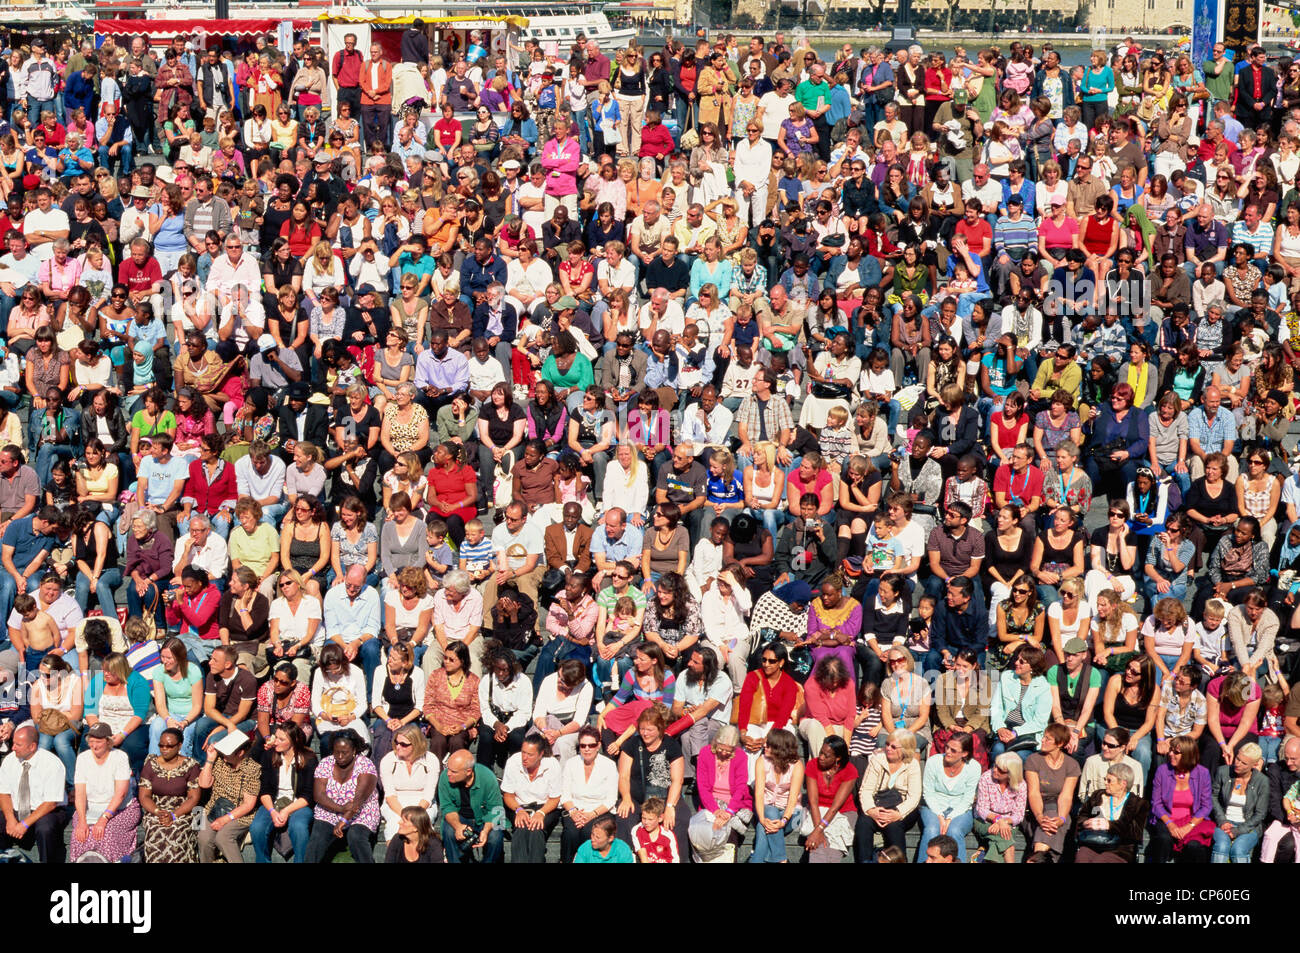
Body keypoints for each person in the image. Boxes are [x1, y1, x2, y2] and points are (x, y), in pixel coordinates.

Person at [304, 729, 379, 864]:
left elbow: (359, 799)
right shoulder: (326, 763)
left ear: (354, 750)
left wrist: (344, 820)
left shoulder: (365, 764)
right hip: (330, 810)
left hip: (361, 811)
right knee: (317, 838)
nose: (339, 756)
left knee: (356, 837)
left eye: (344, 752)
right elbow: (318, 795)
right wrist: (341, 808)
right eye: (336, 751)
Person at [247, 721, 316, 863]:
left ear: (294, 741)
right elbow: (264, 790)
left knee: (299, 827)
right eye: (275, 737)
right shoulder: (269, 756)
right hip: (274, 802)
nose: (275, 742)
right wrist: (273, 811)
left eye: (281, 739)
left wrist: (286, 811)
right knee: (257, 828)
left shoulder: (308, 759)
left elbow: (308, 795)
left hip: (298, 804)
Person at [0, 724, 69, 863]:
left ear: (32, 746)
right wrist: (11, 820)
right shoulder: (9, 760)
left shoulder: (52, 763)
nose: (13, 748)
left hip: (47, 810)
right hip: (18, 808)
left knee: (45, 828)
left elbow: (51, 803)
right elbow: (4, 793)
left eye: (18, 745)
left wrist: (24, 824)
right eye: (13, 743)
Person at [855, 728, 921, 863]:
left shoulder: (912, 764)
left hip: (902, 807)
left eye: (893, 746)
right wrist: (871, 810)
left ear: (905, 749)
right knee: (864, 822)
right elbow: (866, 790)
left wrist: (898, 813)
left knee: (894, 825)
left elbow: (914, 797)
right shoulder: (877, 760)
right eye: (887, 744)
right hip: (878, 804)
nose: (888, 748)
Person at [1148, 734, 1215, 864]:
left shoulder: (1202, 773)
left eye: (1176, 752)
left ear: (1188, 755)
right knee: (1163, 839)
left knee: (1194, 847)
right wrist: (1170, 824)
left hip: (1192, 820)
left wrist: (1189, 826)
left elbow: (1206, 806)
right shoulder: (1162, 771)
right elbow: (1156, 803)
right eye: (1171, 750)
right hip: (1167, 818)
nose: (1170, 754)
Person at [437, 749, 506, 863]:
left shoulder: (488, 777)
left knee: (495, 836)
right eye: (448, 768)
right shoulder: (445, 777)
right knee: (448, 830)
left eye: (453, 771)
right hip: (460, 817)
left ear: (468, 771)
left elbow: (497, 810)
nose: (448, 773)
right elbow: (447, 807)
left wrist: (485, 830)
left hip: (485, 817)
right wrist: (458, 826)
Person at [1075, 761, 1149, 863]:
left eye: (1109, 780)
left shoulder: (1138, 804)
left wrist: (1109, 825)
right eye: (1105, 779)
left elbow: (1136, 832)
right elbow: (1082, 815)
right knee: (1081, 858)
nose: (1105, 782)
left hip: (1120, 848)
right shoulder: (1098, 796)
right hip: (1093, 842)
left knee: (1100, 861)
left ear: (1123, 784)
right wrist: (1086, 823)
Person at [972, 752, 1028, 864]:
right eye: (995, 765)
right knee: (1007, 843)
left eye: (1001, 770)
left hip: (1008, 823)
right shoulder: (986, 778)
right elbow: (982, 809)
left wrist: (1003, 822)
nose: (995, 770)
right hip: (984, 820)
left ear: (1011, 774)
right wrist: (998, 819)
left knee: (1001, 838)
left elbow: (1018, 814)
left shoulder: (1021, 785)